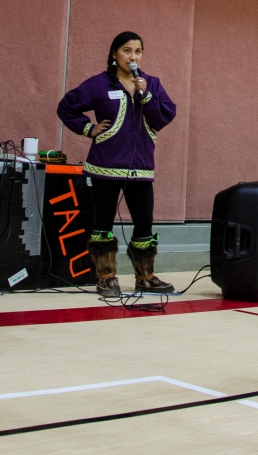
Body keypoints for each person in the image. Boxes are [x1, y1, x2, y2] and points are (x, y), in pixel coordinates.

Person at [57, 32, 177, 298]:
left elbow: (163, 116)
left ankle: (145, 277)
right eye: (126, 50)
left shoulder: (152, 85)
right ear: (114, 53)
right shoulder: (99, 85)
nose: (132, 57)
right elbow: (66, 107)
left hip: (141, 167)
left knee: (144, 222)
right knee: (103, 223)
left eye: (138, 51)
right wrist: (88, 128)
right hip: (106, 165)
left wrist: (146, 97)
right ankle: (106, 277)